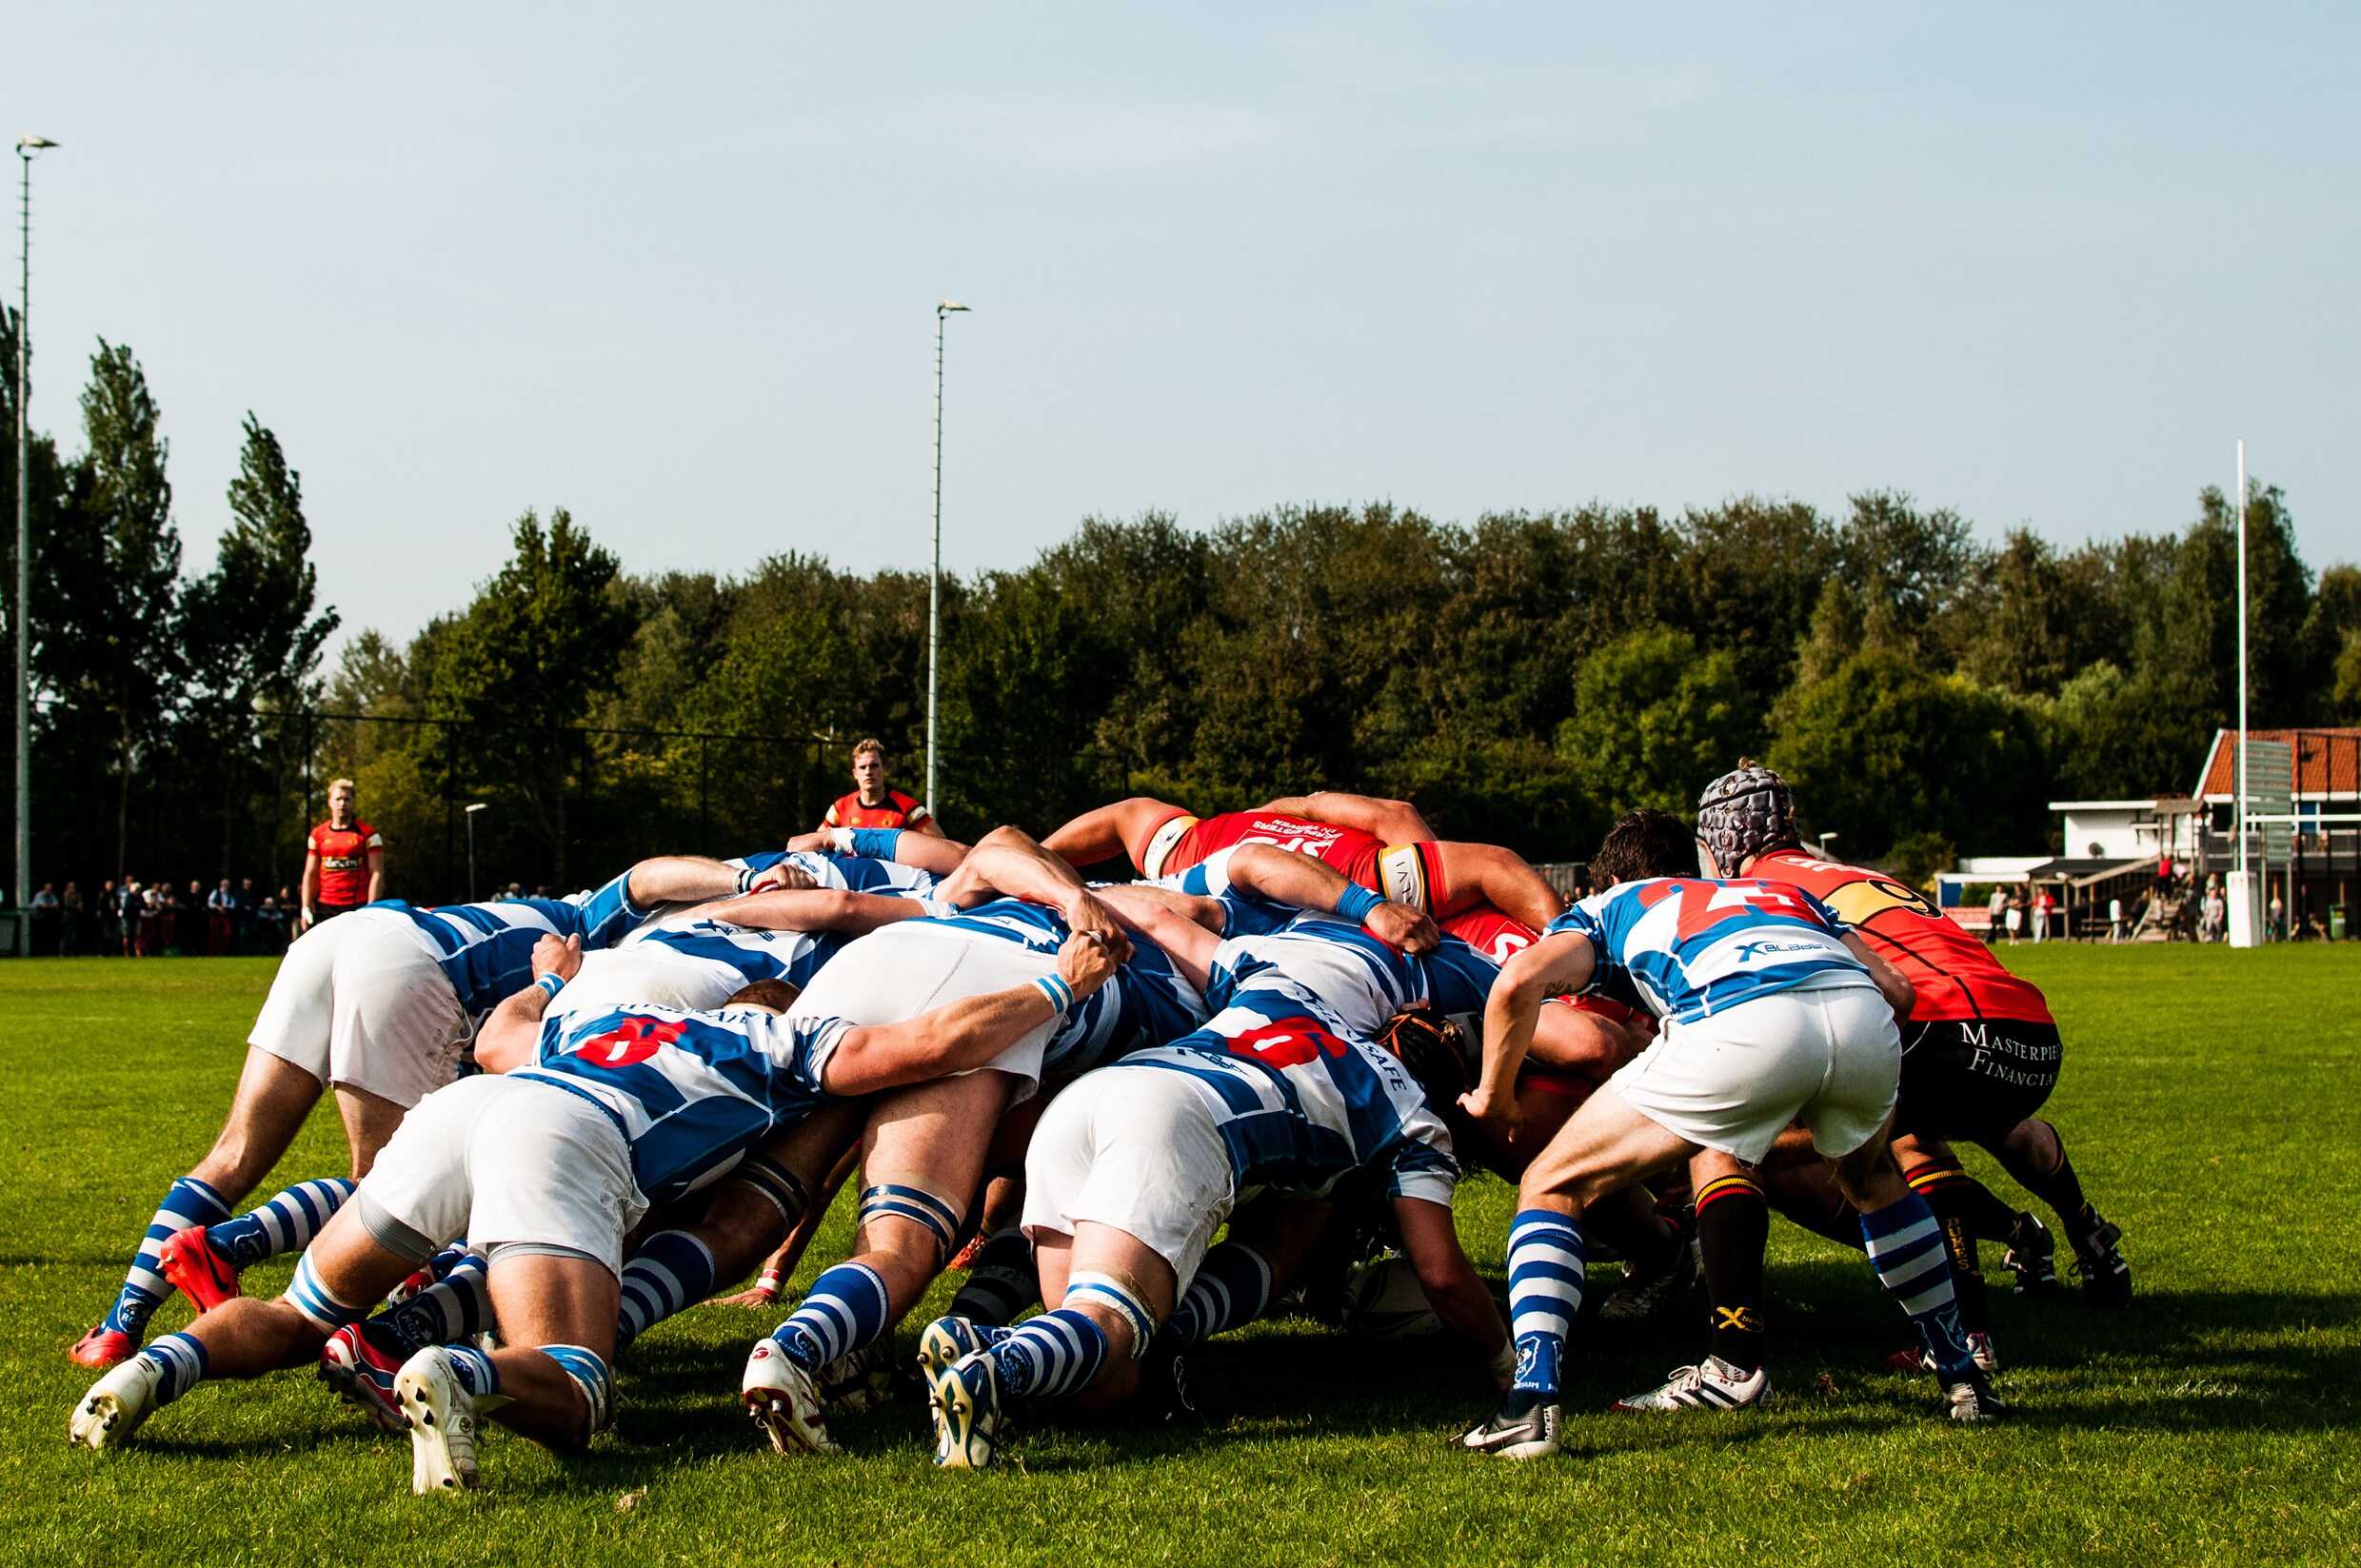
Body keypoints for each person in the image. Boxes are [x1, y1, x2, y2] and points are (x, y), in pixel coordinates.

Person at [69, 926, 1121, 1496]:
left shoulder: (594, 1005)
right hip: (562, 1144)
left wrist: (544, 978)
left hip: (475, 1108)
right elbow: (925, 1047)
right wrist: (1056, 987)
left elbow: (498, 1035)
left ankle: (155, 1370)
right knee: (576, 1390)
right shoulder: (765, 1042)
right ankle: (461, 1374)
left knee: (304, 1315)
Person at [66, 853, 786, 1369]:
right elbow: (646, 877)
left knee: (233, 1152)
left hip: (337, 938)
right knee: (393, 1188)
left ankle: (118, 1325)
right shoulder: (590, 929)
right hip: (412, 965)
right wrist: (745, 879)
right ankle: (238, 1247)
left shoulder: (543, 914)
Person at [1456, 808, 2002, 1459]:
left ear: (1604, 877)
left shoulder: (1610, 903)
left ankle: (1530, 1404)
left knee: (1553, 1181)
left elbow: (1518, 980)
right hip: (1859, 1014)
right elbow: (1900, 991)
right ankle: (1963, 1376)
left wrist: (1492, 1093)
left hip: (1739, 1017)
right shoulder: (1781, 892)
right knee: (1875, 1180)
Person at [917, 871, 1506, 1470]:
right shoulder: (1414, 1120)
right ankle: (993, 1372)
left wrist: (1074, 898)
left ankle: (975, 1340)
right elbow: (1442, 1275)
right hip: (1173, 1123)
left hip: (1091, 1102)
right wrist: (1505, 1363)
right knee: (1106, 1327)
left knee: (1106, 1387)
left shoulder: (1285, 988)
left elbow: (1159, 920)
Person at [1640, 762, 2128, 1418]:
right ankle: (2081, 1232)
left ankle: (1956, 1340)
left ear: (1723, 839)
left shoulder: (1760, 888)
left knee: (1831, 1141)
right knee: (1968, 1125)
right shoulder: (1858, 872)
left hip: (1937, 1019)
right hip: (2030, 1029)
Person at [1042, 792, 1562, 931]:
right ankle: (1584, 959)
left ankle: (1024, 868)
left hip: (1215, 846)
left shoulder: (1197, 837)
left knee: (1135, 813)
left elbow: (1126, 816)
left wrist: (1039, 867)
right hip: (1347, 872)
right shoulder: (1379, 862)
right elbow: (1495, 863)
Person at [303, 778, 386, 930]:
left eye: (347, 799)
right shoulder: (317, 834)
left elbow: (377, 873)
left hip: (357, 906)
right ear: (329, 802)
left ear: (353, 801)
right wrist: (305, 907)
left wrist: (371, 907)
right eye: (338, 799)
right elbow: (310, 873)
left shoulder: (368, 834)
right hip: (325, 907)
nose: (342, 804)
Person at [816, 739, 944, 837]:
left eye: (874, 766)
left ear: (885, 769)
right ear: (855, 773)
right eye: (862, 767)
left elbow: (941, 844)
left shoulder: (907, 807)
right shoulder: (840, 808)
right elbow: (816, 843)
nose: (868, 772)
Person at [29, 882, 60, 957]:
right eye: (47, 889)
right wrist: (51, 906)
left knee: (43, 935)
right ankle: (35, 952)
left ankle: (41, 952)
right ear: (44, 889)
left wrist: (49, 906)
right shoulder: (39, 895)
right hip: (34, 916)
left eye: (50, 890)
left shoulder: (52, 895)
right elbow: (42, 906)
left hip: (43, 917)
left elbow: (56, 905)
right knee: (36, 935)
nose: (48, 891)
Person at [208, 879, 236, 956]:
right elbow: (210, 902)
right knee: (215, 934)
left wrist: (227, 906)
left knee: (227, 934)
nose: (226, 886)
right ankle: (214, 952)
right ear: (221, 884)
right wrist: (218, 907)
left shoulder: (230, 894)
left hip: (225, 916)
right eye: (224, 884)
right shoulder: (216, 892)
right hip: (216, 916)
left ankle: (224, 951)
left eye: (227, 885)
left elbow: (233, 904)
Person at [60, 881, 83, 957]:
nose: (73, 888)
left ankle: (73, 952)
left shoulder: (78, 895)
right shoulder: (66, 894)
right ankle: (63, 953)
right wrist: (76, 906)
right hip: (68, 918)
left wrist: (79, 906)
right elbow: (67, 905)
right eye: (71, 887)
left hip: (75, 919)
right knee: (66, 937)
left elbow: (80, 904)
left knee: (74, 937)